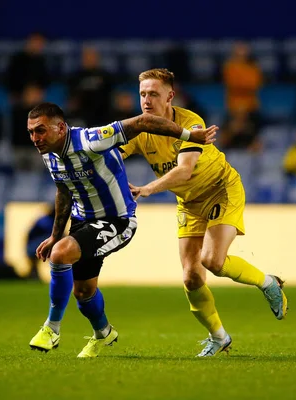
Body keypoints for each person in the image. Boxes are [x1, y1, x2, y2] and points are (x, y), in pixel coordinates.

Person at [26, 102, 217, 358]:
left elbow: (143, 122)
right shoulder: (50, 155)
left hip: (118, 221)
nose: (35, 138)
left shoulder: (91, 140)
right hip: (84, 223)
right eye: (31, 132)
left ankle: (52, 327)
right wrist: (55, 234)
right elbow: (63, 191)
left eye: (40, 131)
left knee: (61, 254)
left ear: (61, 128)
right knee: (83, 292)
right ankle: (104, 333)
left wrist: (188, 135)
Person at [123, 68, 288, 357]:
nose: (146, 101)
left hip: (220, 188)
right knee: (191, 277)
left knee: (212, 260)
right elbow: (108, 153)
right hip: (189, 203)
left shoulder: (190, 122)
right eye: (142, 94)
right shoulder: (140, 130)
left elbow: (185, 171)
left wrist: (148, 189)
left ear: (170, 96)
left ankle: (267, 283)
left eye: (153, 94)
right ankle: (219, 337)